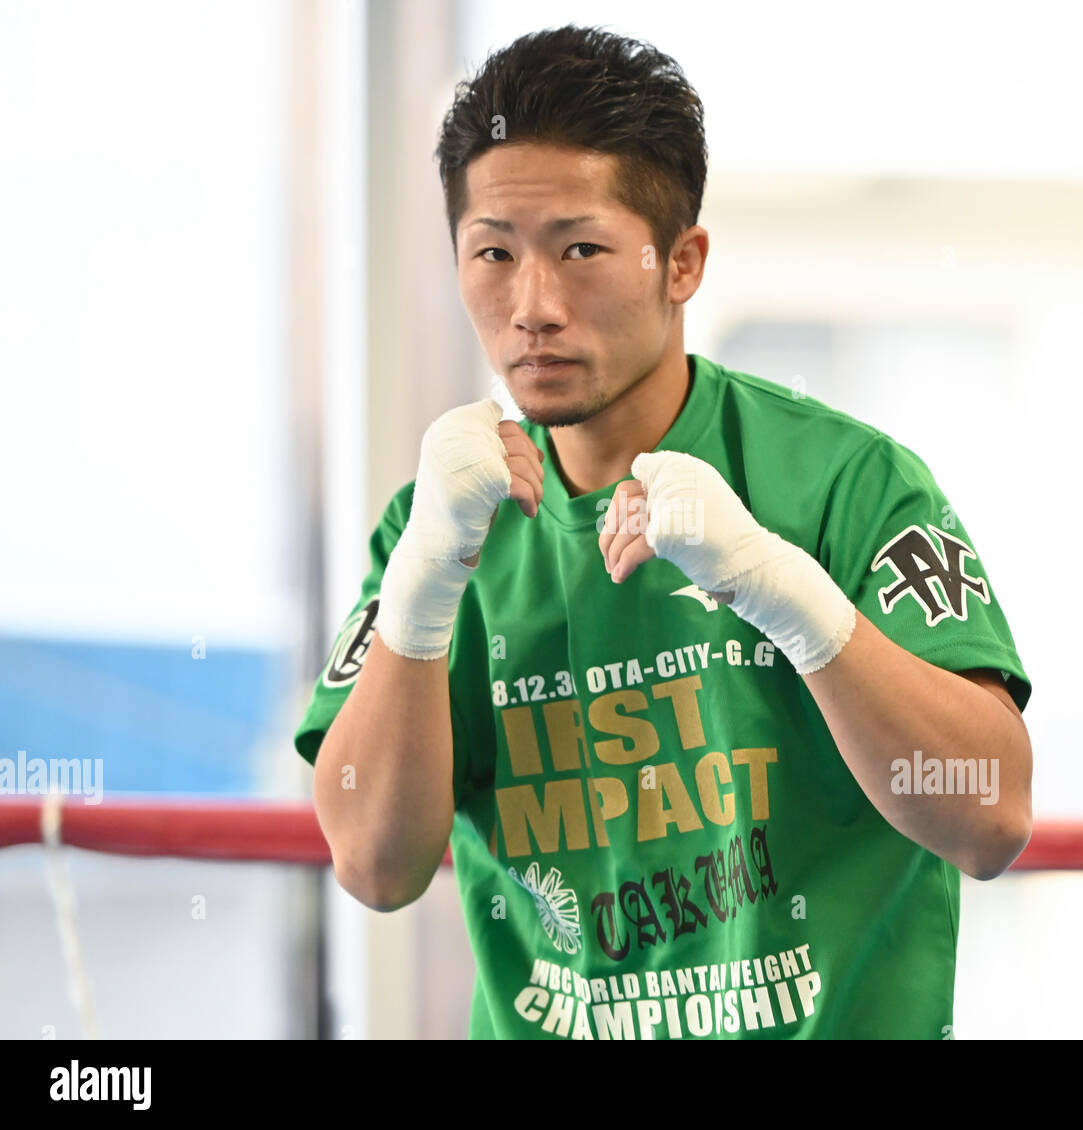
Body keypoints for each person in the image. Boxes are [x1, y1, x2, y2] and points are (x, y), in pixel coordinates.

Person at [293, 24, 1033, 1040]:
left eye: (581, 250)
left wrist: (787, 591)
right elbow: (374, 865)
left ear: (680, 262)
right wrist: (420, 594)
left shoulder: (848, 482)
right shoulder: (431, 534)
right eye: (494, 253)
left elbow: (988, 815)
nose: (533, 306)